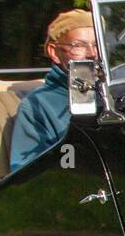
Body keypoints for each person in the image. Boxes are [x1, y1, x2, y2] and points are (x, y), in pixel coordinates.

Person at [8, 9, 97, 172]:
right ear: (54, 52)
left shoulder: (115, 92)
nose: (92, 54)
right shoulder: (36, 106)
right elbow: (25, 173)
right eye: (79, 46)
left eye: (97, 45)